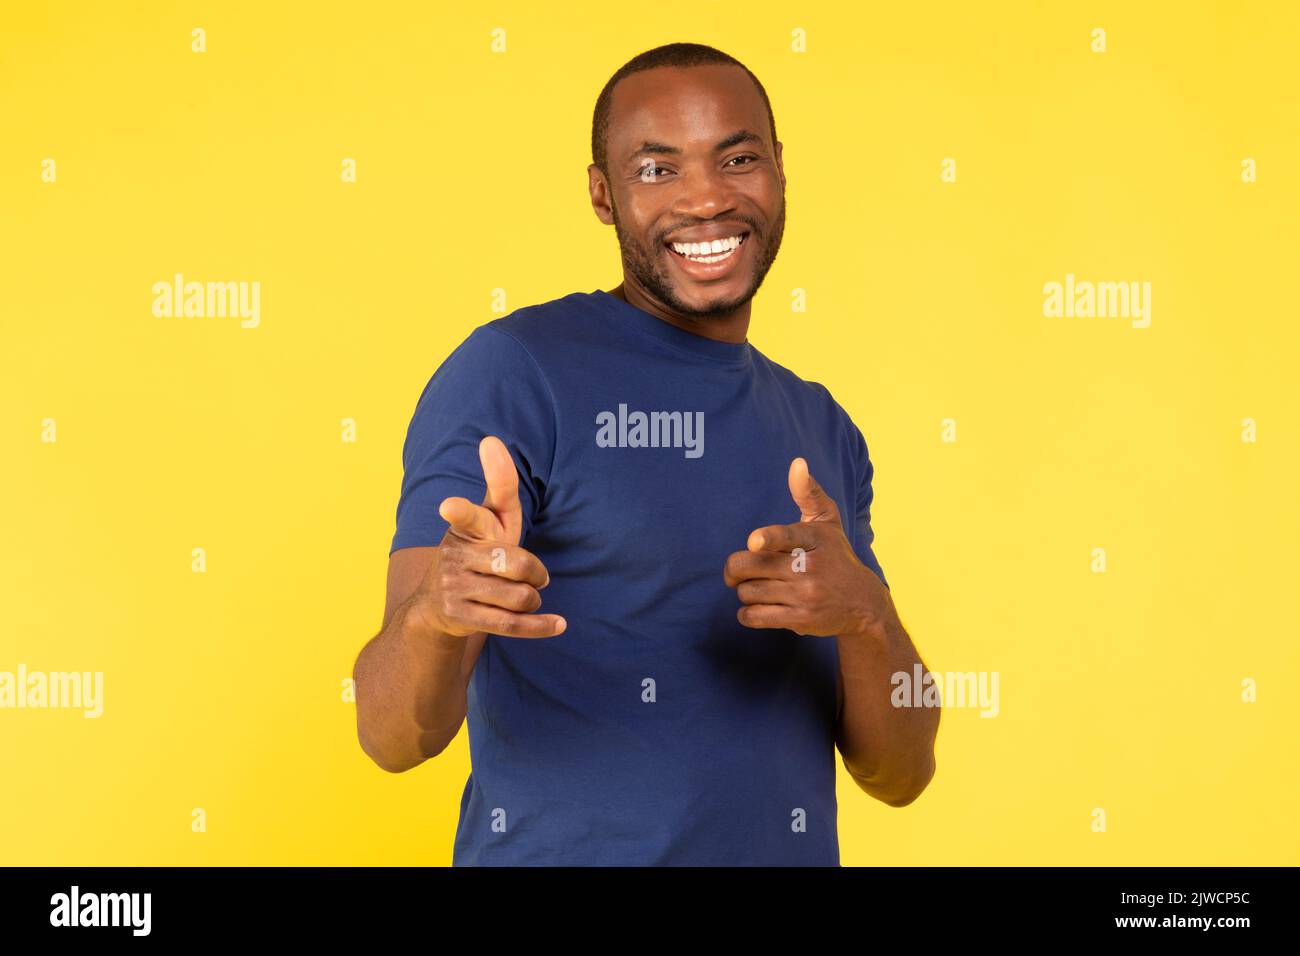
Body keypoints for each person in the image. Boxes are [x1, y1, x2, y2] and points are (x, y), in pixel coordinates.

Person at [352, 41, 939, 866]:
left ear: (778, 170)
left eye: (736, 158)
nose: (706, 199)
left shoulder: (822, 425)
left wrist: (867, 617)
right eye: (657, 170)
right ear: (602, 193)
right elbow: (388, 734)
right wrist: (437, 615)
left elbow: (900, 773)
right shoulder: (513, 372)